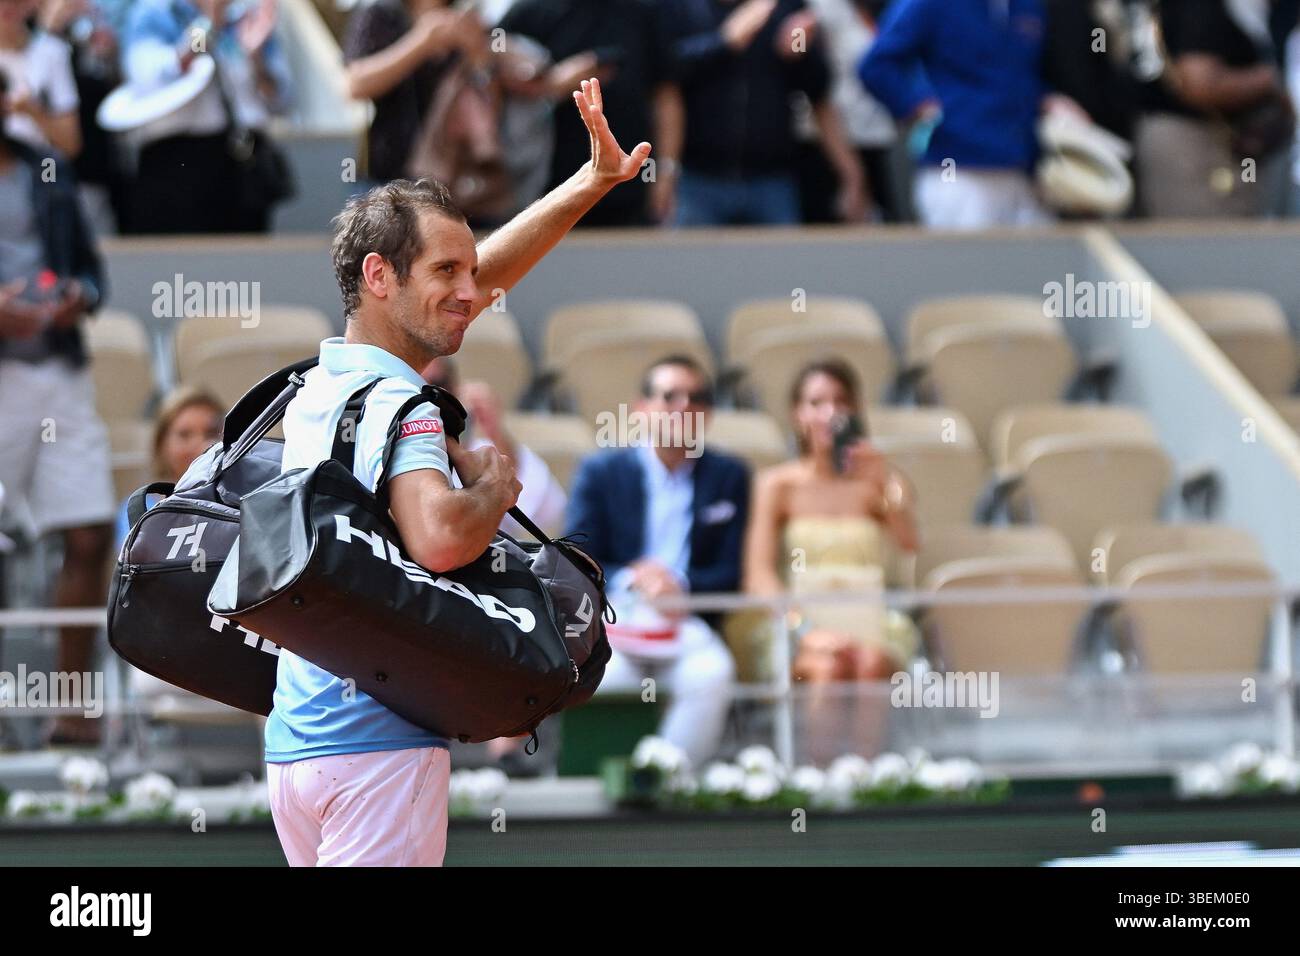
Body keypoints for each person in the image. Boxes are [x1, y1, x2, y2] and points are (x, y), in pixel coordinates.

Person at [264, 77, 651, 867]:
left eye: (471, 273)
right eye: (447, 272)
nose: (469, 294)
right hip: (381, 750)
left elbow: (465, 287)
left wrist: (589, 183)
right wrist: (496, 488)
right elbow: (440, 540)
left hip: (298, 746)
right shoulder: (405, 402)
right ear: (380, 277)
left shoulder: (316, 384)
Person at [0, 68, 112, 747]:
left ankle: (72, 711)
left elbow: (95, 273)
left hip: (59, 370)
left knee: (90, 533)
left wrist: (77, 296)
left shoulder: (46, 168)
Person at [564, 355, 746, 769]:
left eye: (697, 398)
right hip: (615, 616)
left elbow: (731, 573)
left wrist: (678, 584)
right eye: (670, 396)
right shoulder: (601, 472)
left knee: (712, 674)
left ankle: (664, 779)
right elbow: (576, 559)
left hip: (686, 620)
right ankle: (600, 789)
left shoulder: (728, 476)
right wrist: (634, 578)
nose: (684, 407)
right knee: (602, 678)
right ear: (642, 408)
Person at [737, 359, 918, 761]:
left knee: (870, 663)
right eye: (816, 403)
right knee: (826, 668)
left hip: (870, 620)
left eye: (841, 402)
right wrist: (804, 628)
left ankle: (867, 784)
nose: (830, 413)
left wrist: (883, 479)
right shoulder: (777, 485)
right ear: (798, 415)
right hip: (797, 623)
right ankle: (816, 786)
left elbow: (909, 543)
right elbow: (759, 576)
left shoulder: (882, 481)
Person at [657, 0, 869, 226]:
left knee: (782, 259)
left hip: (772, 180)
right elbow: (661, 78)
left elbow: (818, 91)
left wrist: (798, 48)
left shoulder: (783, 8)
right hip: (698, 179)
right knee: (691, 259)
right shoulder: (679, 8)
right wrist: (724, 42)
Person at [859, 0, 1065, 229]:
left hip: (1023, 169)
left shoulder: (1028, 7)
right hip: (957, 168)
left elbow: (1021, 75)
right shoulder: (930, 4)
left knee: (1040, 259)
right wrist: (918, 106)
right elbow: (877, 65)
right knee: (968, 262)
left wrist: (1048, 101)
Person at [119, 0, 293, 233]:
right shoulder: (156, 13)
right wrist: (209, 25)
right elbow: (149, 77)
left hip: (241, 164)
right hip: (177, 164)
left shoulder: (246, 15)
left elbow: (282, 101)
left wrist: (256, 57)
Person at [496, 0, 674, 227]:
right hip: (548, 187)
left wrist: (665, 173)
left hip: (630, 184)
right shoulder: (531, 9)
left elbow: (665, 95)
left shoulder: (642, 11)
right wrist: (545, 82)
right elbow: (491, 48)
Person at [1134, 0, 1295, 218]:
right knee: (1202, 244)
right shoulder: (1199, 8)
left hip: (1246, 148)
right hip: (1194, 144)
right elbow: (1199, 84)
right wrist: (1267, 81)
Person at [421, 354, 567, 537]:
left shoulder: (481, 452)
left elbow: (547, 512)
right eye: (416, 386)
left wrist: (496, 433)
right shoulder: (381, 450)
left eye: (437, 385)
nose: (425, 399)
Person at [0, 0, 81, 156]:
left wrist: (32, 111)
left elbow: (71, 144)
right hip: (5, 169)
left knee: (49, 174)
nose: (6, 6)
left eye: (13, 1)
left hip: (44, 160)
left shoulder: (52, 51)